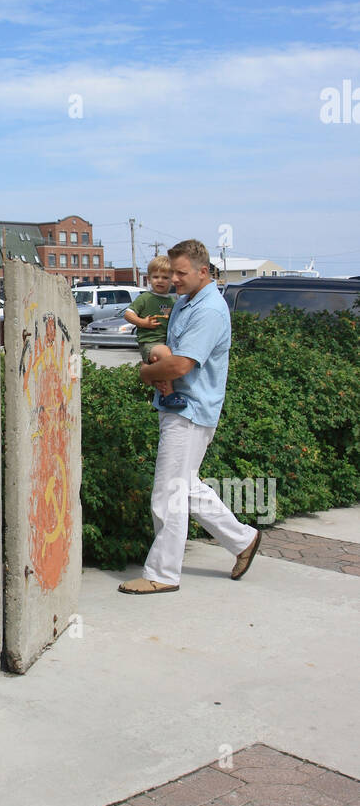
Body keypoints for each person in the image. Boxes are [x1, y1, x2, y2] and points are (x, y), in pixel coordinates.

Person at [118, 238, 261, 594]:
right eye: (171, 272)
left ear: (203, 271)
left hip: (191, 412)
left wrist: (147, 373)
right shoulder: (185, 303)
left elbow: (181, 363)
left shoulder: (209, 309)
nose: (174, 279)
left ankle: (162, 574)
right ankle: (242, 540)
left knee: (168, 492)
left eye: (180, 273)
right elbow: (165, 348)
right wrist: (157, 363)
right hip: (178, 407)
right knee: (186, 488)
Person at [123, 255, 185, 409]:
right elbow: (128, 314)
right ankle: (169, 395)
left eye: (165, 277)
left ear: (172, 280)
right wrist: (143, 322)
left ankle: (157, 380)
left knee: (170, 359)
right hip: (149, 343)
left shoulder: (173, 301)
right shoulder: (145, 298)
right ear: (149, 279)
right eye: (156, 277)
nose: (160, 280)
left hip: (165, 343)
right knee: (166, 355)